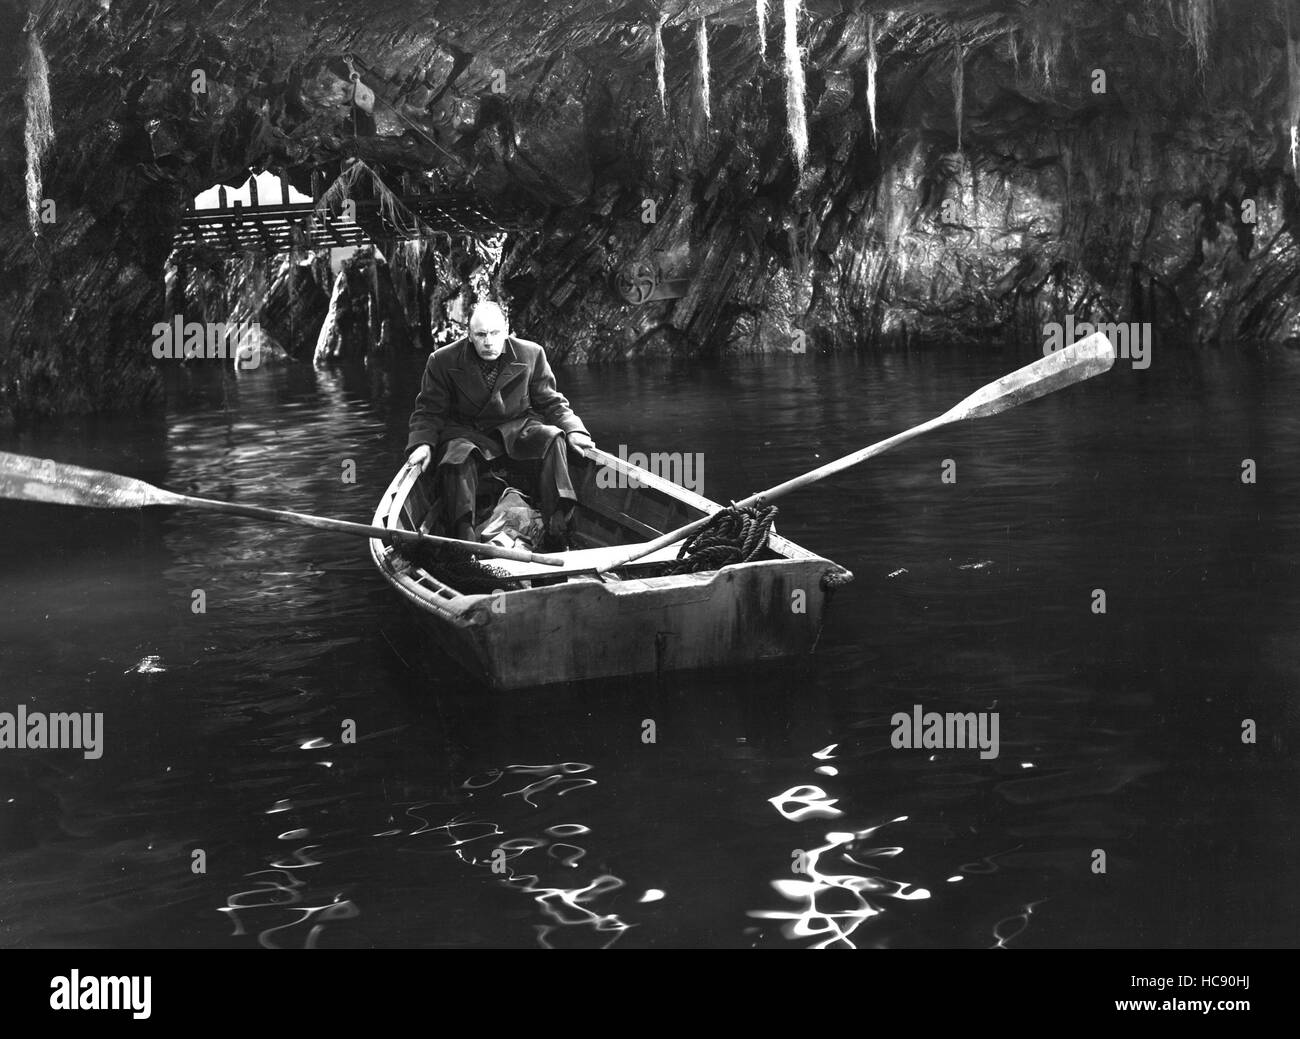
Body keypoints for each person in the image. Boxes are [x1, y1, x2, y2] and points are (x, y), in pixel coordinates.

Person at [406, 301, 594, 549]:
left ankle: (556, 529)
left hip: (517, 429)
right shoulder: (441, 361)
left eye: (495, 333)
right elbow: (429, 411)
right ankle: (465, 541)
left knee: (553, 438)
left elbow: (552, 402)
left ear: (507, 330)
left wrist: (574, 429)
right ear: (469, 335)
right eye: (481, 335)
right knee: (456, 456)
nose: (488, 342)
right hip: (468, 432)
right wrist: (422, 444)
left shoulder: (531, 353)